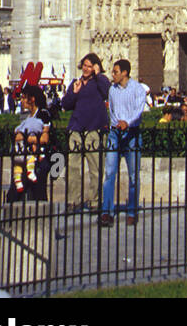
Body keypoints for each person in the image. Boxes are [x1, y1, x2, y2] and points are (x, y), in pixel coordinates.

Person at [101, 59, 146, 228]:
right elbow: (111, 110)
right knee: (110, 172)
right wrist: (116, 123)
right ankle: (106, 211)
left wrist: (126, 122)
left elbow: (138, 109)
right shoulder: (112, 90)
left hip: (132, 133)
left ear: (125, 73)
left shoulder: (137, 89)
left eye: (115, 72)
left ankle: (132, 211)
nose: (113, 75)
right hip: (115, 133)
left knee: (134, 175)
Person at [62, 53, 110, 210]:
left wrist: (99, 75)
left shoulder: (99, 82)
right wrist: (74, 93)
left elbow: (107, 92)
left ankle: (95, 201)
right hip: (76, 128)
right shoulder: (76, 83)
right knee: (73, 168)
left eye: (90, 66)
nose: (86, 68)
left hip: (94, 128)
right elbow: (66, 104)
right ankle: (73, 200)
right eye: (85, 65)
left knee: (95, 168)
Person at [8, 84, 52, 203]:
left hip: (38, 160)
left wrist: (28, 138)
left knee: (38, 194)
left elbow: (44, 138)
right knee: (16, 192)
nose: (21, 101)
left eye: (24, 97)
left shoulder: (43, 113)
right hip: (25, 159)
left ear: (32, 99)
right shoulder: (28, 116)